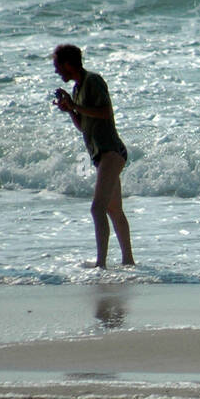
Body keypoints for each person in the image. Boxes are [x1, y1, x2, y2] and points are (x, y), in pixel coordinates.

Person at [52, 44, 134, 268]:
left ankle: (101, 264)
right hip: (102, 155)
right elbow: (84, 126)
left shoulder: (93, 81)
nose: (57, 71)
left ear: (69, 64)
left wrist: (75, 105)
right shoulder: (78, 89)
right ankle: (128, 261)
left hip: (111, 152)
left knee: (97, 208)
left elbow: (105, 112)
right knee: (113, 209)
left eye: (58, 66)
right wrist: (70, 110)